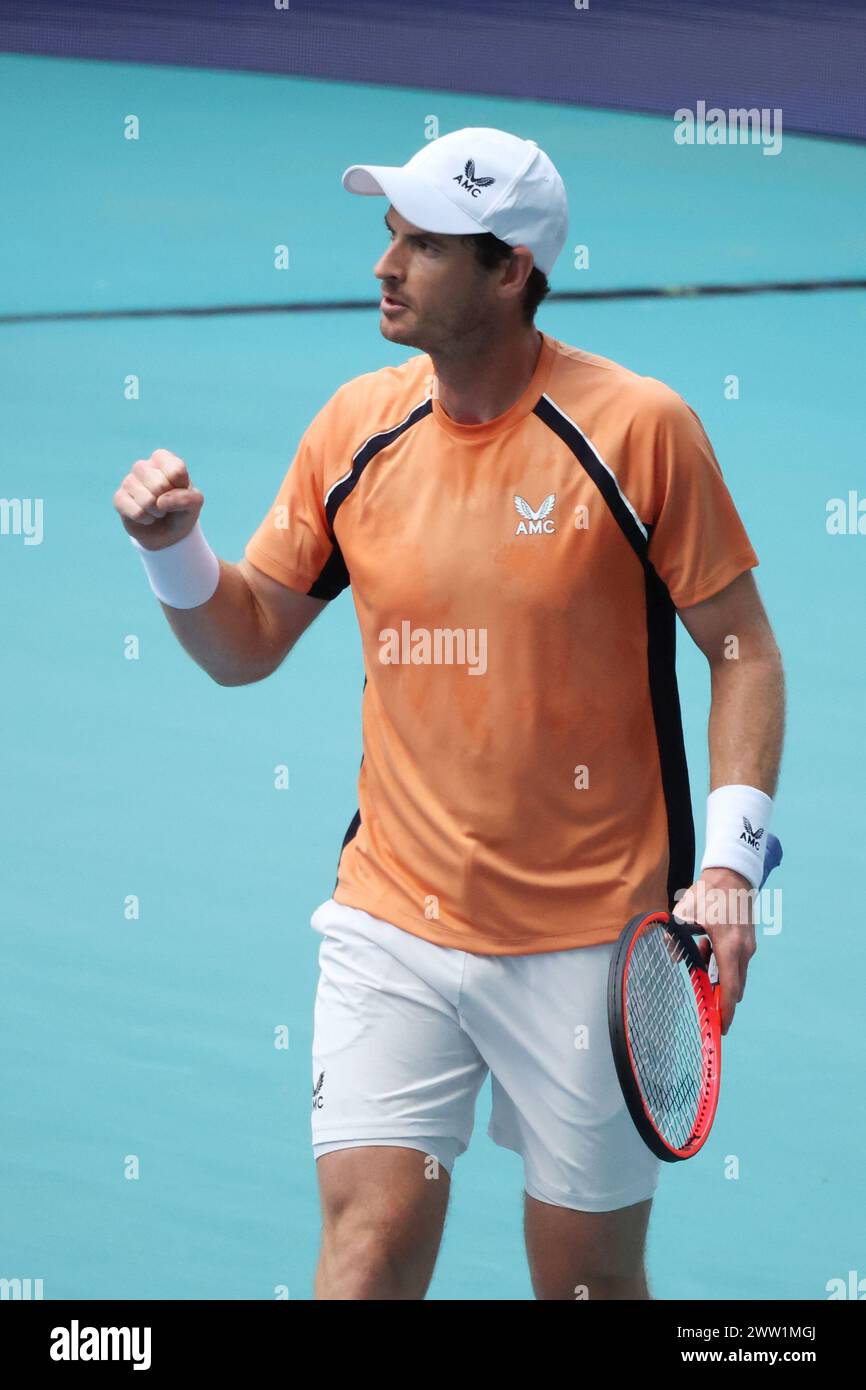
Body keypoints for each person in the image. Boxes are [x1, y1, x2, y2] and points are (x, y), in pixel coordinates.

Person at [113, 126, 785, 1300]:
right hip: (392, 921)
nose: (385, 266)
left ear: (510, 269)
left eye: (423, 245)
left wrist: (726, 865)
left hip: (592, 943)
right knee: (365, 1254)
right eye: (389, 235)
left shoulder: (636, 430)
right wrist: (176, 556)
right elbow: (247, 641)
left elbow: (741, 650)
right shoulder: (355, 428)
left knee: (580, 1282)